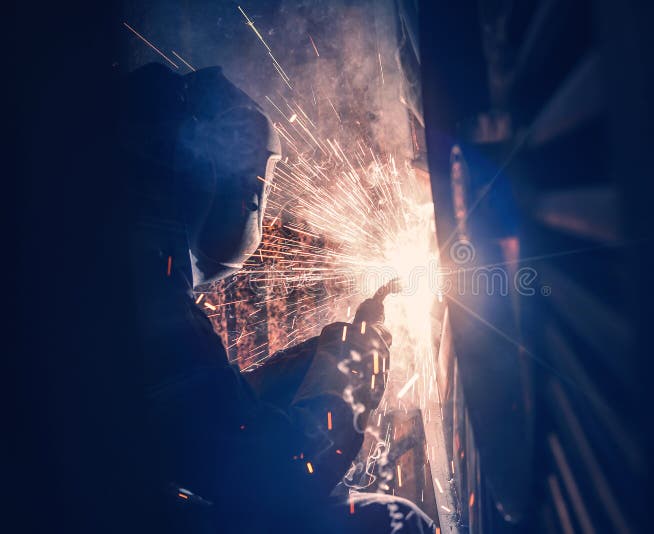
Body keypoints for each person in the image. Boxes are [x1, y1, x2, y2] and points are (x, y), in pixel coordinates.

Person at [119, 62, 435, 533]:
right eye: (255, 192)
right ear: (202, 179)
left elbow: (216, 417)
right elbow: (277, 474)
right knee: (392, 523)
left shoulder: (124, 273)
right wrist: (357, 361)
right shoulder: (144, 300)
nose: (258, 213)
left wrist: (324, 353)